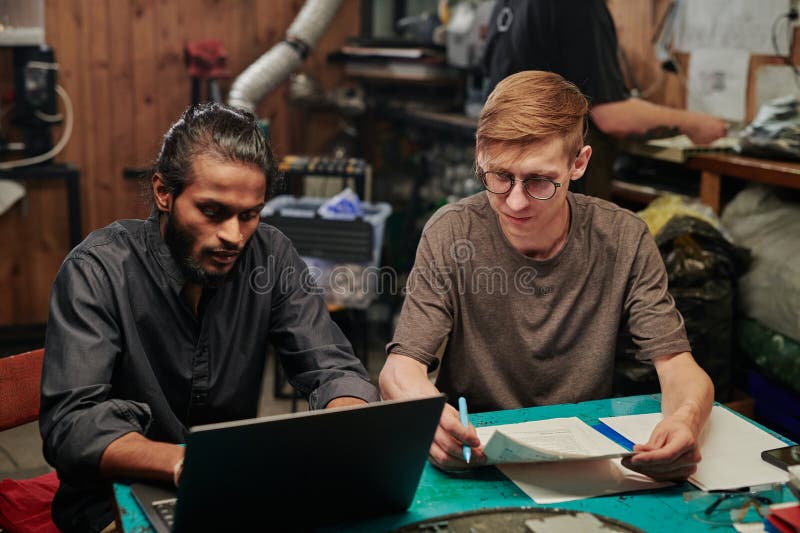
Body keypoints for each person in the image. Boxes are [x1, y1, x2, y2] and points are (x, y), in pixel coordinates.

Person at [39, 103, 380, 532]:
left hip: (227, 494)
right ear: (164, 193)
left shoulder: (270, 257)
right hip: (114, 503)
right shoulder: (98, 271)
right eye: (213, 212)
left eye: (249, 215)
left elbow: (331, 366)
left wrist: (347, 421)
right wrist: (190, 464)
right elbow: (72, 424)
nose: (234, 236)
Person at [379, 71, 714, 481]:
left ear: (578, 164)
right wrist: (427, 413)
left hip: (585, 455)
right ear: (480, 153)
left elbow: (680, 368)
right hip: (478, 453)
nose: (515, 202)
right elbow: (400, 369)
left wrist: (686, 421)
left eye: (539, 181)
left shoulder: (624, 238)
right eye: (500, 177)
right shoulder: (452, 233)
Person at [482, 0, 728, 198]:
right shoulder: (580, 6)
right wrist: (696, 123)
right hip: (549, 187)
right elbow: (612, 116)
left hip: (503, 178)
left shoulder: (505, 5)